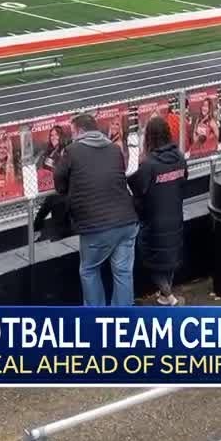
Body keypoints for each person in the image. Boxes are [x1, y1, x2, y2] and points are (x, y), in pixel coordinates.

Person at [54, 114, 139, 306]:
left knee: (90, 270)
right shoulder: (114, 149)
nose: (72, 136)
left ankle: (96, 319)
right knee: (123, 272)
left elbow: (59, 181)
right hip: (127, 220)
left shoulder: (71, 151)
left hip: (96, 225)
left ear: (80, 131)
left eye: (73, 132)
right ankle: (122, 320)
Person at [128, 117, 187, 305]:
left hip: (154, 221)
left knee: (153, 261)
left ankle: (170, 297)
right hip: (175, 216)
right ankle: (164, 297)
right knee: (169, 258)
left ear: (149, 138)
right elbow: (184, 180)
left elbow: (138, 190)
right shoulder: (179, 157)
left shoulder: (149, 164)